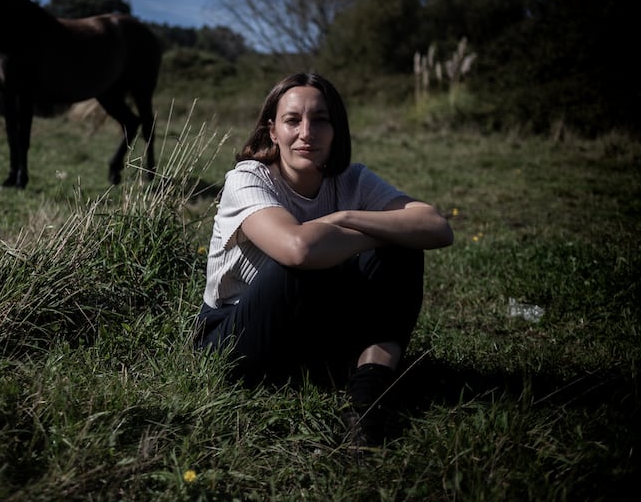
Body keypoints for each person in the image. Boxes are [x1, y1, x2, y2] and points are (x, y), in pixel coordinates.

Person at [194, 72, 454, 448]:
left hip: (307, 329)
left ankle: (370, 399)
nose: (307, 132)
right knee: (304, 260)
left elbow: (436, 227)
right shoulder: (247, 179)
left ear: (337, 130)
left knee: (403, 246)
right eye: (292, 120)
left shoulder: (353, 179)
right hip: (233, 339)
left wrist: (345, 218)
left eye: (320, 120)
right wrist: (378, 231)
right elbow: (297, 249)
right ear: (272, 131)